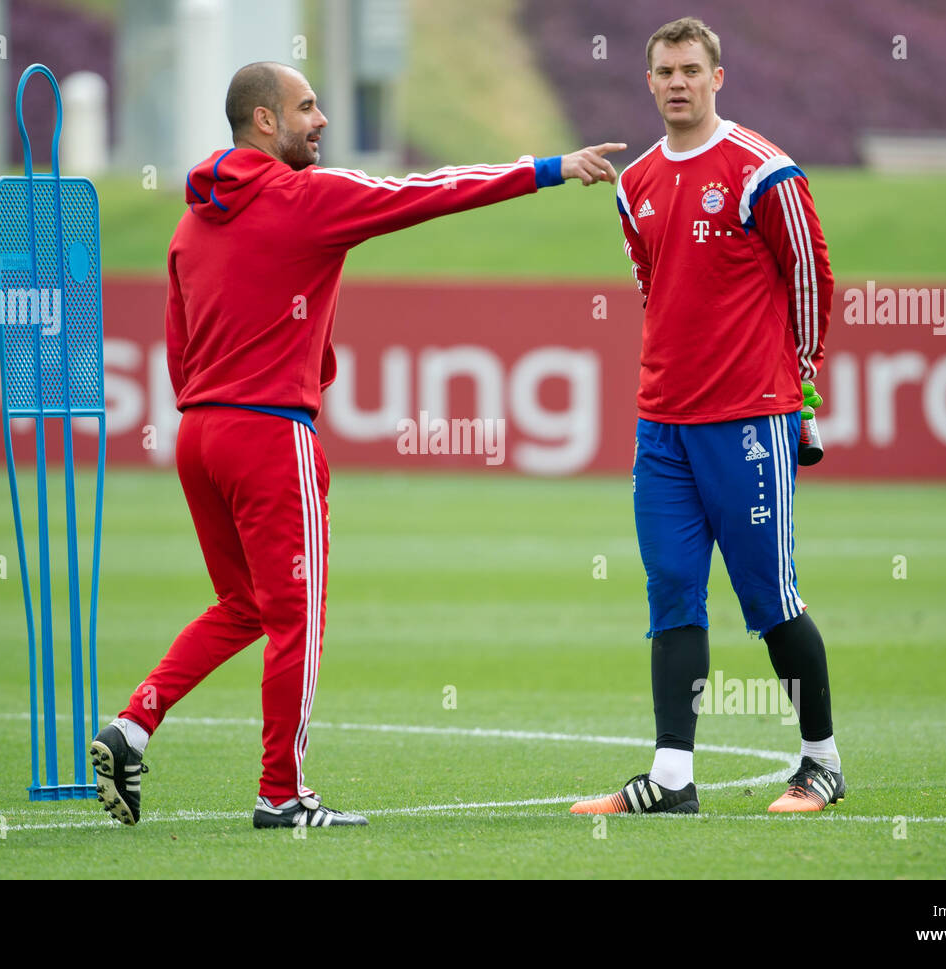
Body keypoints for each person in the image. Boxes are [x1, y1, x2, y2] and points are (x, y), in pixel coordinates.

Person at [90, 60, 626, 829]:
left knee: (242, 605)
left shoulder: (190, 221)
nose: (323, 121)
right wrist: (545, 169)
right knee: (296, 617)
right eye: (308, 107)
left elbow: (178, 347)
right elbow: (429, 190)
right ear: (265, 121)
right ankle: (281, 794)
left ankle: (134, 723)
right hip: (271, 434)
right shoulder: (307, 198)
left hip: (200, 433)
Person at [569, 17, 844, 817]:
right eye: (665, 70)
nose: (678, 81)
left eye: (692, 68)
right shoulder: (636, 184)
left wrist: (799, 383)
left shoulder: (765, 171)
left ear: (717, 77)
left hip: (748, 419)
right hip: (661, 425)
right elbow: (654, 289)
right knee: (672, 591)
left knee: (771, 596)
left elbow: (812, 280)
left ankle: (821, 763)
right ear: (648, 82)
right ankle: (673, 778)